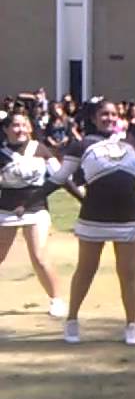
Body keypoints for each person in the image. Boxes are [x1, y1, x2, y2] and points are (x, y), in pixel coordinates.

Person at [50, 99, 135, 346]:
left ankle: (132, 324)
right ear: (94, 117)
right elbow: (60, 178)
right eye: (104, 114)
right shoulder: (82, 144)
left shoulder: (130, 143)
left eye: (113, 114)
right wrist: (30, 200)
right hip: (94, 217)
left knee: (128, 273)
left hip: (128, 217)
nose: (109, 118)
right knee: (86, 270)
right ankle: (72, 320)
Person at [0, 109, 77, 318]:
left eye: (24, 125)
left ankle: (57, 299)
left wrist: (82, 199)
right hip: (6, 211)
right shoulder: (1, 152)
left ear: (30, 127)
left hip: (36, 210)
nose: (20, 129)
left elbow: (61, 176)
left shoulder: (40, 149)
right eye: (15, 125)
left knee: (39, 257)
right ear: (6, 129)